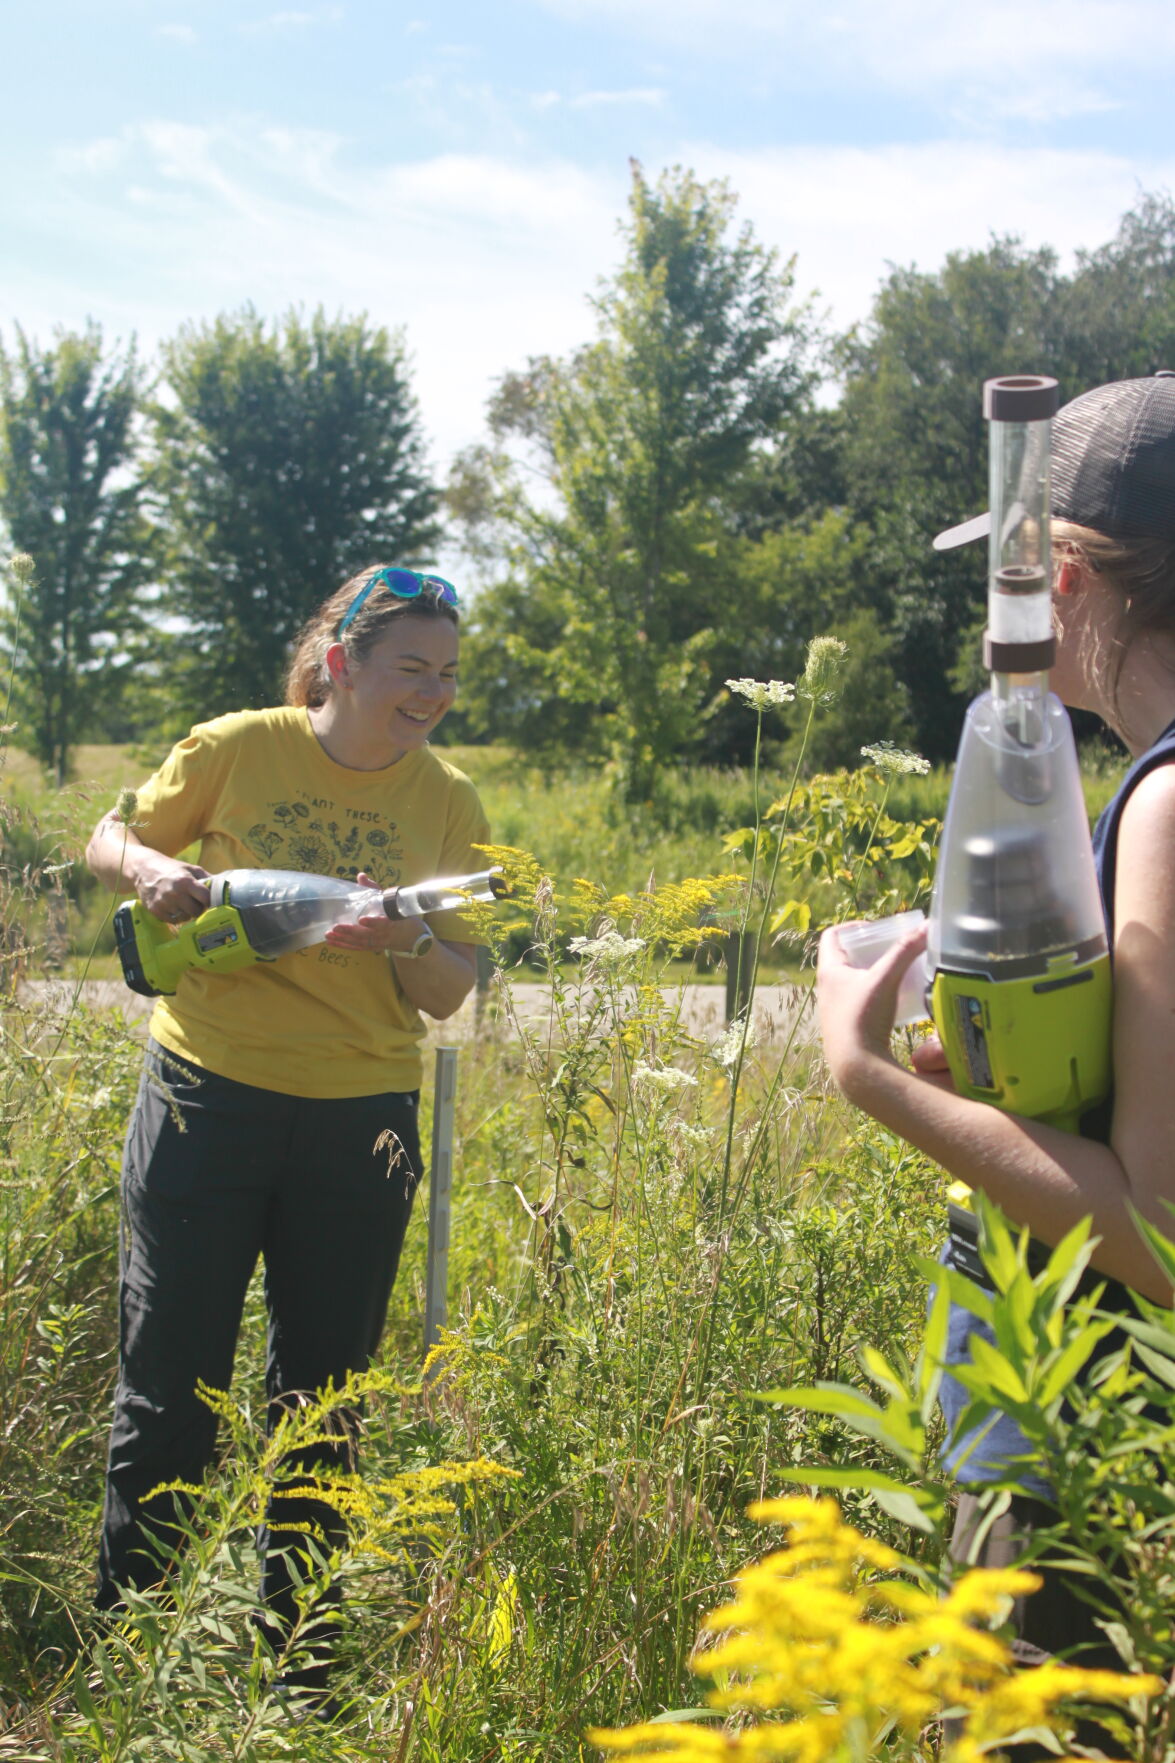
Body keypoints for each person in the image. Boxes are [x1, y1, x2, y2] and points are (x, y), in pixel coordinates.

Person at [816, 374, 1175, 1687]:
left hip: (1094, 1444)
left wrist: (867, 1073)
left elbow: (1156, 1232)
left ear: (1059, 579)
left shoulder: (1164, 802)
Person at [85, 564, 487, 1690]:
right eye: (411, 667)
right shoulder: (235, 746)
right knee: (169, 1387)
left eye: (448, 672)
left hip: (361, 1125)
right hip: (205, 1097)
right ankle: (131, 1667)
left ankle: (298, 1672)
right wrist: (153, 868)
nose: (432, 691)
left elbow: (450, 989)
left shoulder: (448, 801)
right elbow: (108, 839)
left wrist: (403, 939)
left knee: (323, 1402)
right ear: (341, 664)